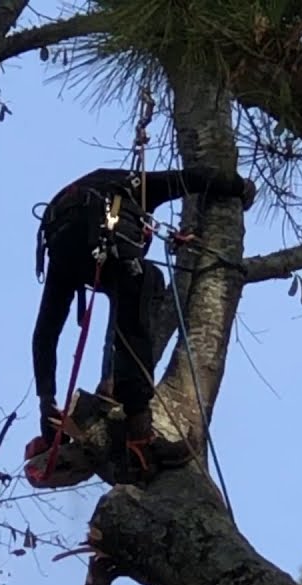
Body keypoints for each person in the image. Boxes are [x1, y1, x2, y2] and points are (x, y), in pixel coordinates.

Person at [30, 165, 256, 472]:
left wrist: (46, 399)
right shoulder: (135, 187)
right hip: (104, 238)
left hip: (63, 242)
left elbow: (45, 333)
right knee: (142, 288)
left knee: (98, 303)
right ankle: (140, 433)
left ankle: (110, 385)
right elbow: (189, 178)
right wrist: (238, 185)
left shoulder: (79, 210)